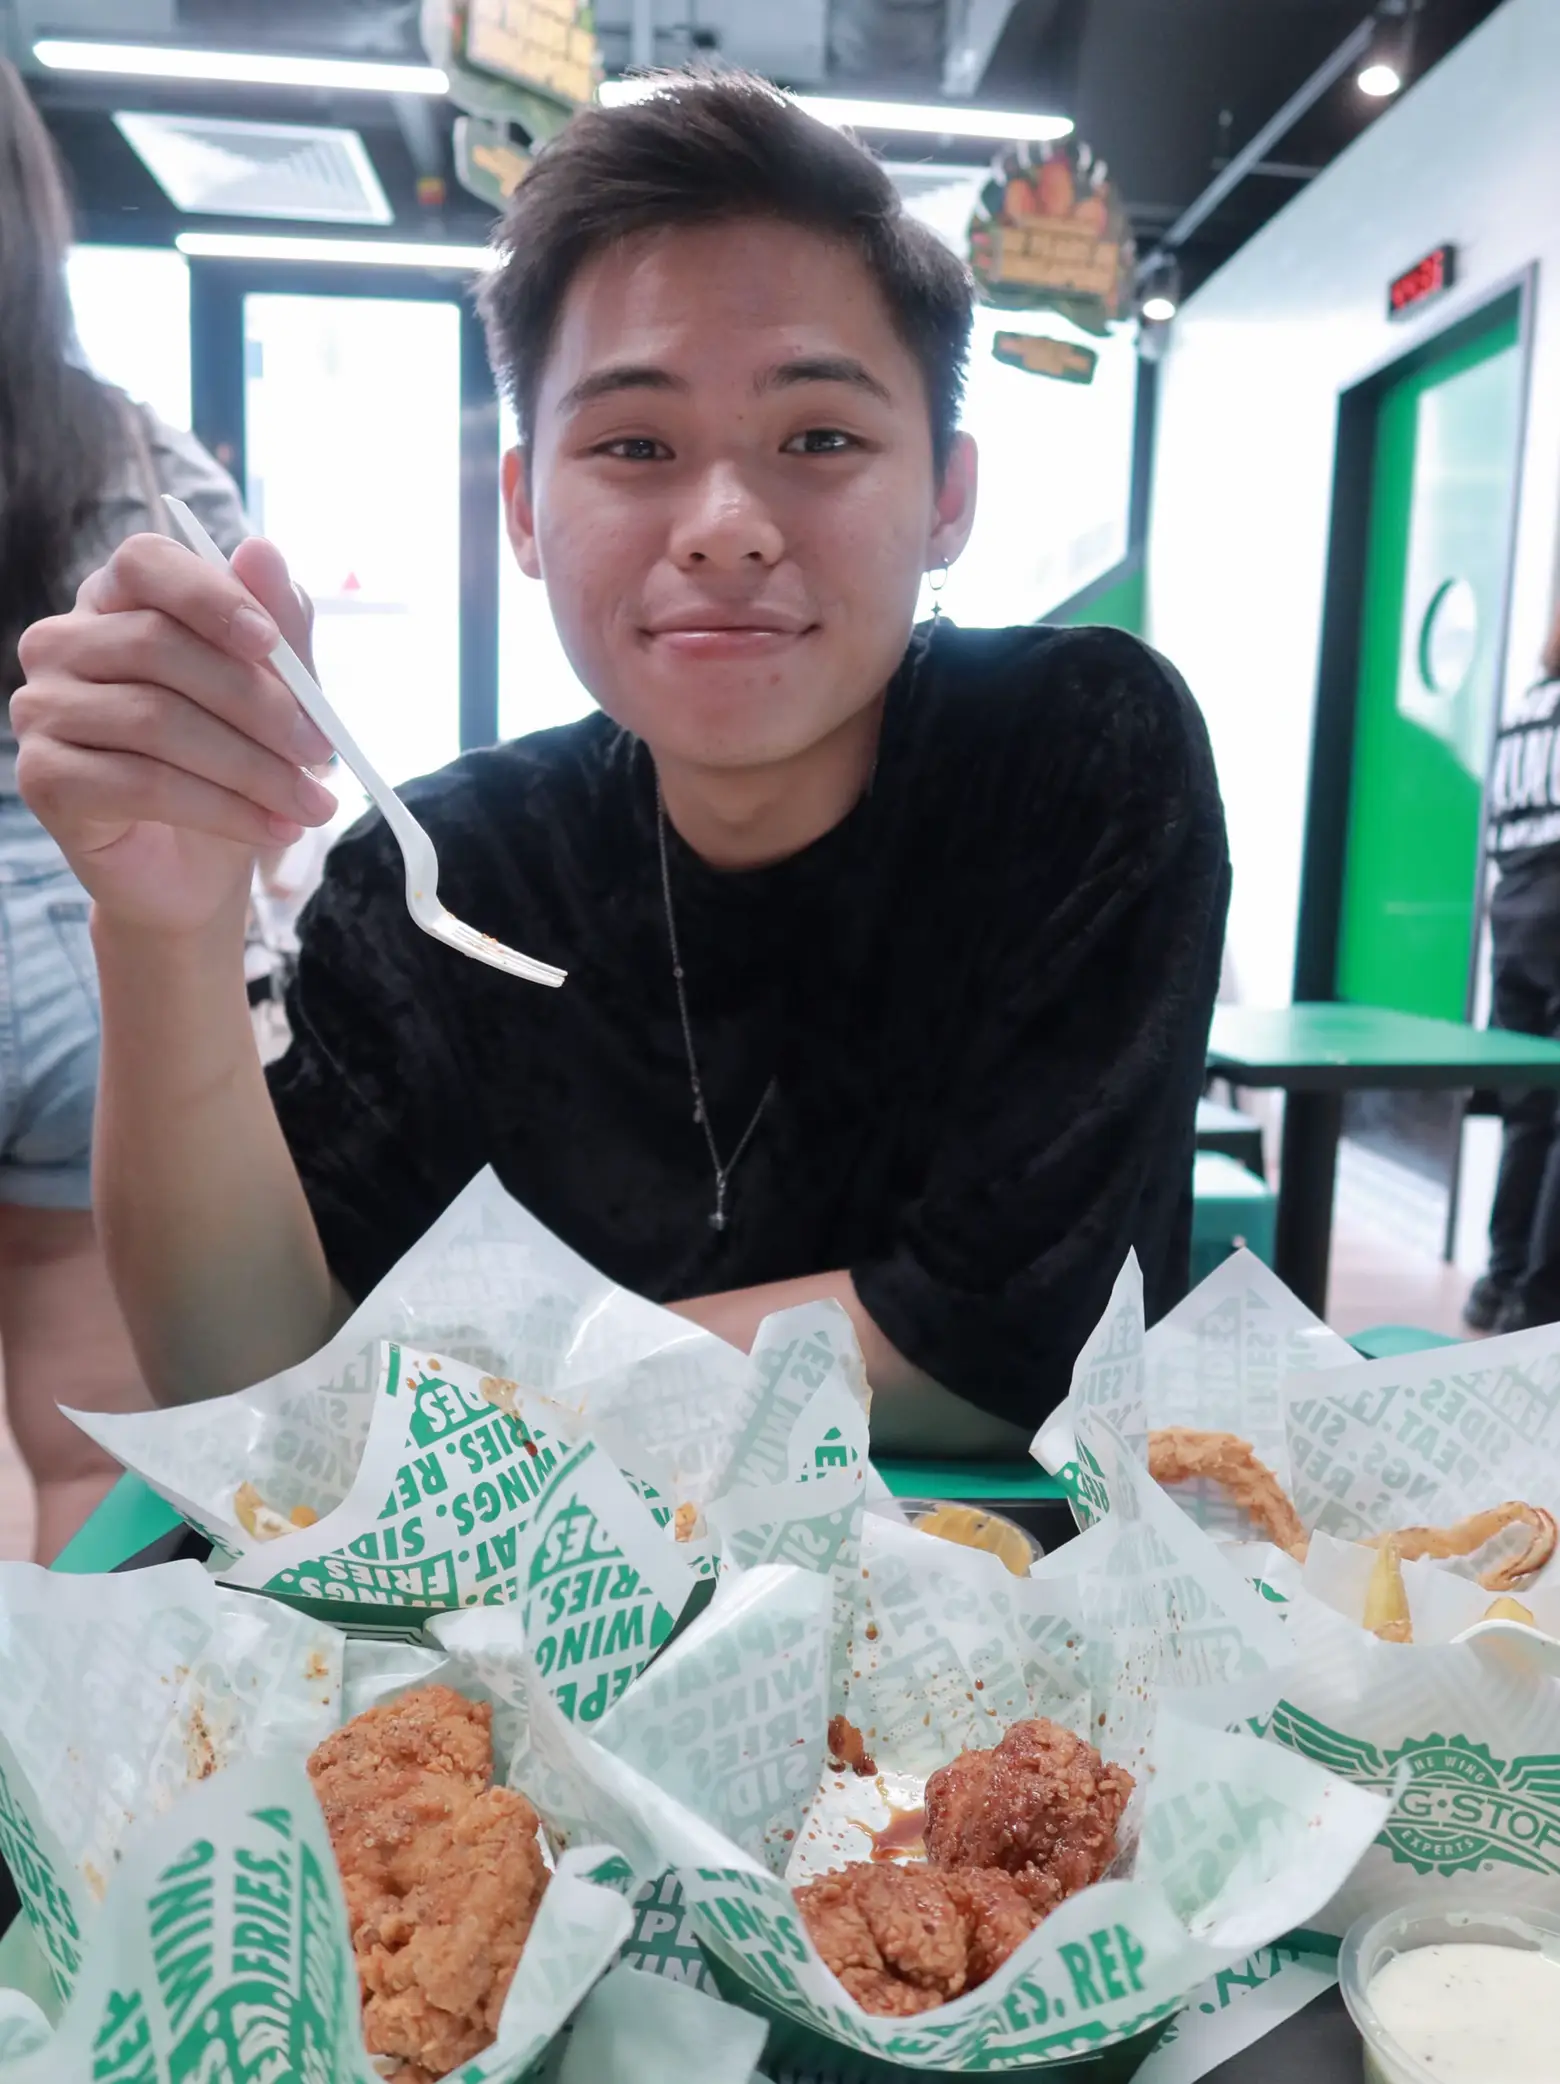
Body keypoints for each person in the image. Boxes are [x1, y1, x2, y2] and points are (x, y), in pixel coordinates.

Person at [14, 72, 1229, 1454]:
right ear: (527, 508)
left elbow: (1023, 1347)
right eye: (636, 443)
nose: (724, 523)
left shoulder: (1074, 755)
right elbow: (246, 1381)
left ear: (946, 497)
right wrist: (163, 928)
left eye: (821, 437)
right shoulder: (445, 876)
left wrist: (450, 1394)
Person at [0, 59, 248, 1555]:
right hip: (85, 943)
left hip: (91, 926)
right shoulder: (126, 448)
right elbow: (252, 679)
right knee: (91, 1466)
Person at [1465, 601, 1560, 1334]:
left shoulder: (1525, 711)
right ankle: (1539, 1302)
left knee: (1528, 1110)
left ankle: (1496, 1285)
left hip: (1514, 908)